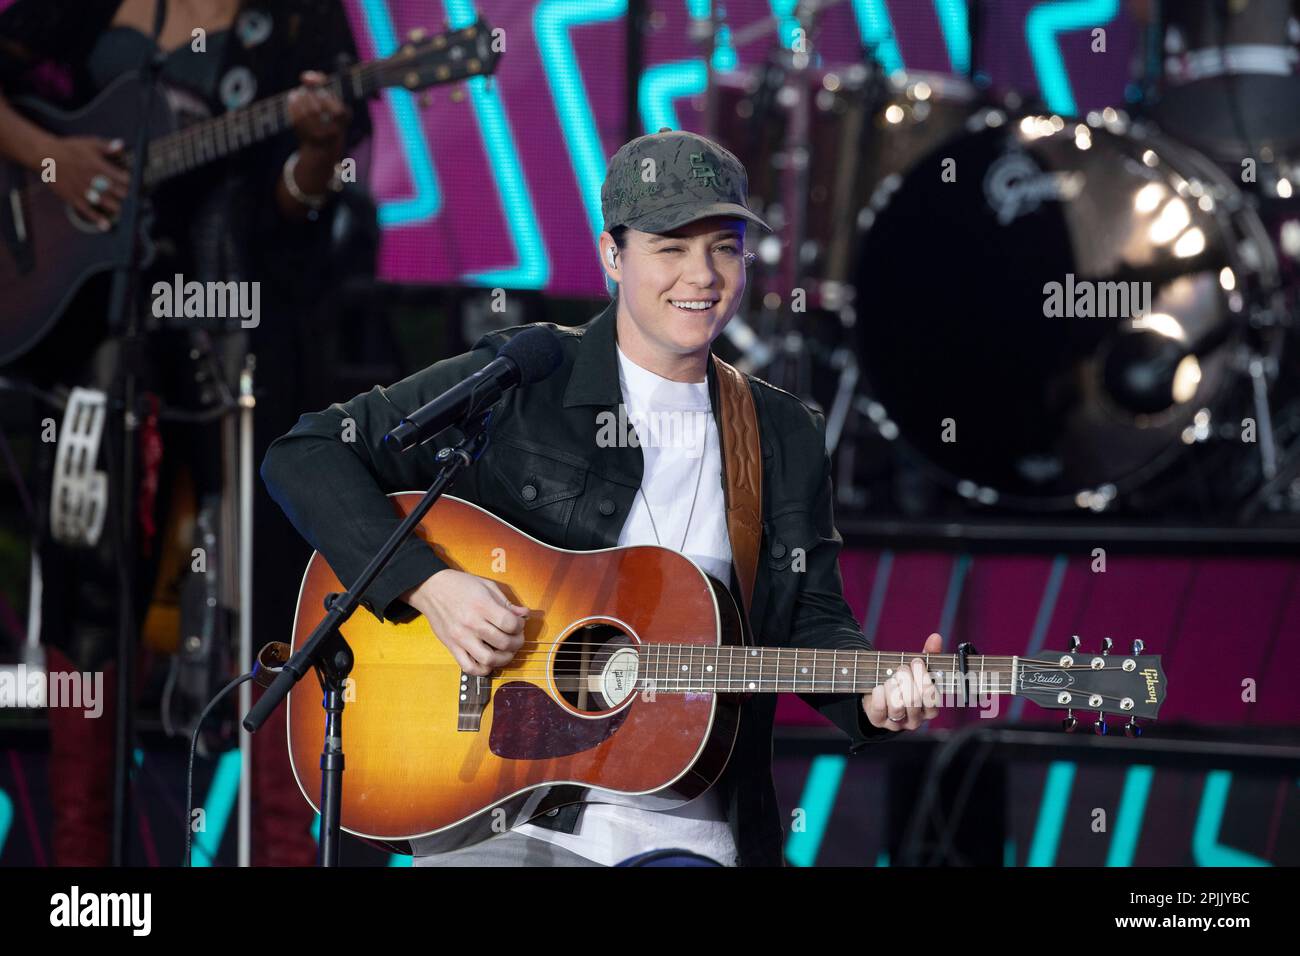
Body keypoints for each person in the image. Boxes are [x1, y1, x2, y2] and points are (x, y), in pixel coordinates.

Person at [261, 128, 942, 867]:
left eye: (723, 247)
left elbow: (812, 620)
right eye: (671, 248)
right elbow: (308, 451)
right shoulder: (525, 380)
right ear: (612, 256)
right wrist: (431, 586)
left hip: (686, 834)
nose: (702, 275)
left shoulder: (781, 433)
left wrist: (873, 698)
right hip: (505, 817)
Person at [0, 0, 372, 865]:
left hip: (237, 334)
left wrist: (318, 146)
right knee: (88, 605)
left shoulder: (298, 21)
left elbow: (296, 206)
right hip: (97, 340)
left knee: (269, 593)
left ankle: (278, 847)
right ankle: (85, 882)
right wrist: (49, 158)